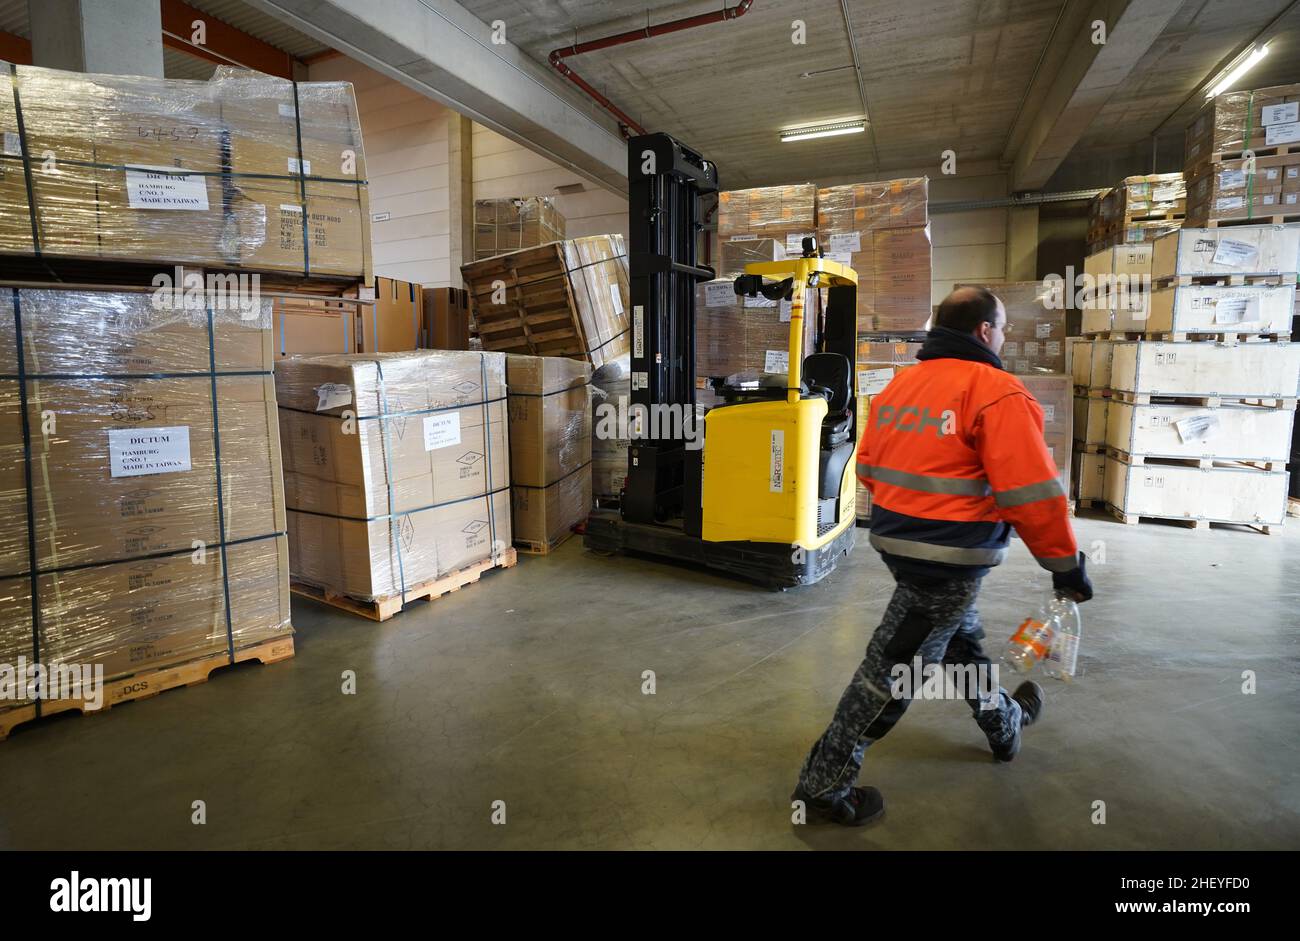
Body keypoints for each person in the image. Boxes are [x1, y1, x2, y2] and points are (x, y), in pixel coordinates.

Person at [792, 286, 1094, 827]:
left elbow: (868, 467)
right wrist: (1066, 565)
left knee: (959, 640)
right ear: (985, 331)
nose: (1001, 337)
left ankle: (1004, 726)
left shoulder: (903, 385)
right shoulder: (999, 393)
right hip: (950, 559)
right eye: (1001, 328)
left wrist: (908, 515)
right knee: (892, 672)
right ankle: (823, 784)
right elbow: (1031, 493)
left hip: (896, 544)